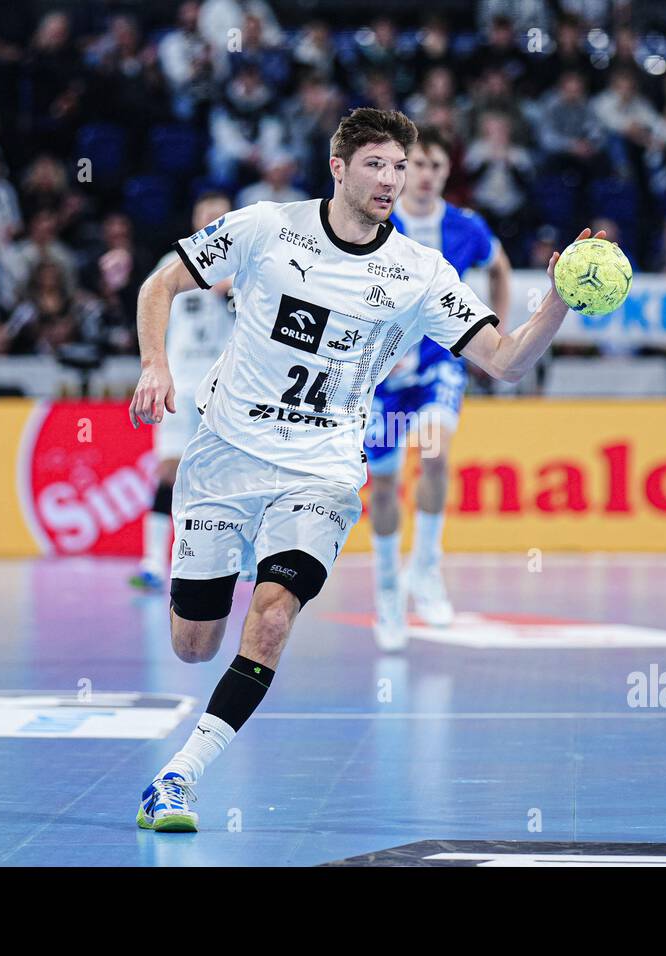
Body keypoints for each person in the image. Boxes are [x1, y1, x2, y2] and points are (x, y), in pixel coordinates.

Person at [127, 107, 601, 831]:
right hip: (224, 459)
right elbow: (158, 285)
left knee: (275, 615)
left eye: (400, 167)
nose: (390, 179)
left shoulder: (416, 272)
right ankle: (202, 582)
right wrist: (155, 363)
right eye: (376, 165)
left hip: (320, 469)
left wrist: (559, 301)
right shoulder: (265, 228)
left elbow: (504, 360)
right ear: (339, 168)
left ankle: (177, 776)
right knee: (194, 646)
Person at [365, 125, 510, 650]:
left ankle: (426, 567)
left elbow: (499, 267)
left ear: (448, 173)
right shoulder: (379, 223)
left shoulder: (466, 227)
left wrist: (494, 336)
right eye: (413, 166)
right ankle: (387, 588)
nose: (423, 176)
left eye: (433, 166)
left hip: (436, 366)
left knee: (433, 454)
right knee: (382, 484)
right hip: (378, 377)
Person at [131, 192, 235, 591]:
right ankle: (152, 562)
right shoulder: (169, 266)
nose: (212, 221)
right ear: (195, 219)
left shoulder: (243, 266)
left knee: (223, 476)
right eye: (206, 215)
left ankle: (224, 561)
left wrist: (226, 290)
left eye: (220, 216)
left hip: (224, 389)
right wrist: (152, 368)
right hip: (179, 381)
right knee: (168, 471)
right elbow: (149, 314)